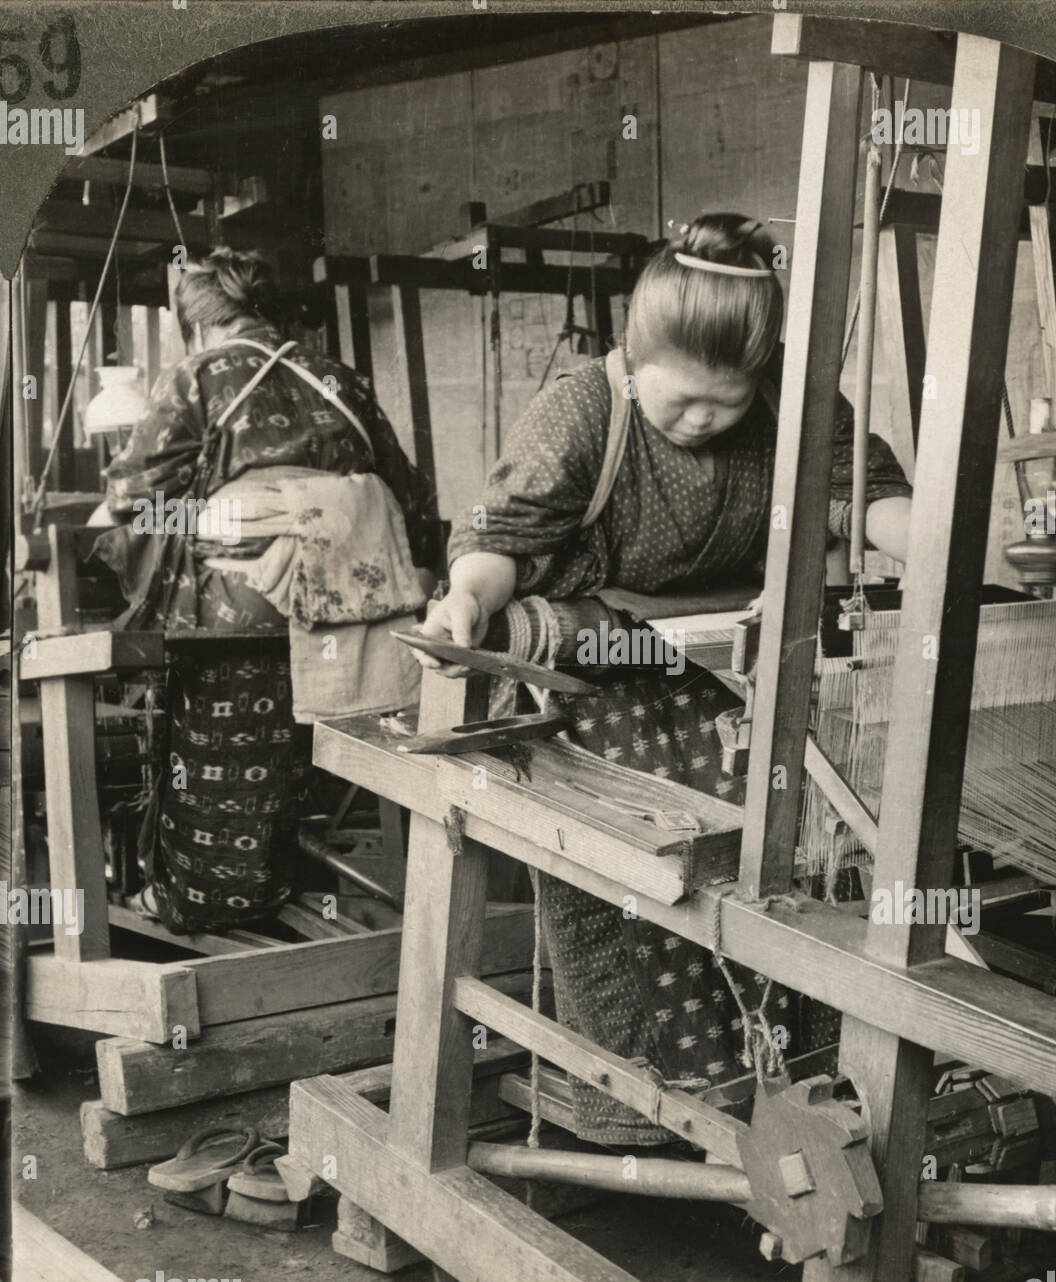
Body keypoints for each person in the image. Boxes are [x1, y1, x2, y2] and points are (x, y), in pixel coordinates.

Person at [419, 214, 912, 1146]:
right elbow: (499, 541)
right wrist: (466, 602)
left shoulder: (788, 407)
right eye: (682, 401)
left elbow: (864, 490)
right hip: (592, 674)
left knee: (793, 832)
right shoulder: (583, 411)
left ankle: (793, 1083)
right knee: (649, 858)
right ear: (633, 355)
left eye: (724, 407)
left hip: (726, 668)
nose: (701, 423)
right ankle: (643, 1102)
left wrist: (927, 536)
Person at [90, 247, 432, 934]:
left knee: (217, 759)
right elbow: (407, 491)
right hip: (351, 611)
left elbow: (132, 493)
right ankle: (327, 893)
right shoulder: (339, 377)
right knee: (303, 765)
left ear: (197, 322)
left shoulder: (198, 377)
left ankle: (200, 903)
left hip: (239, 610)